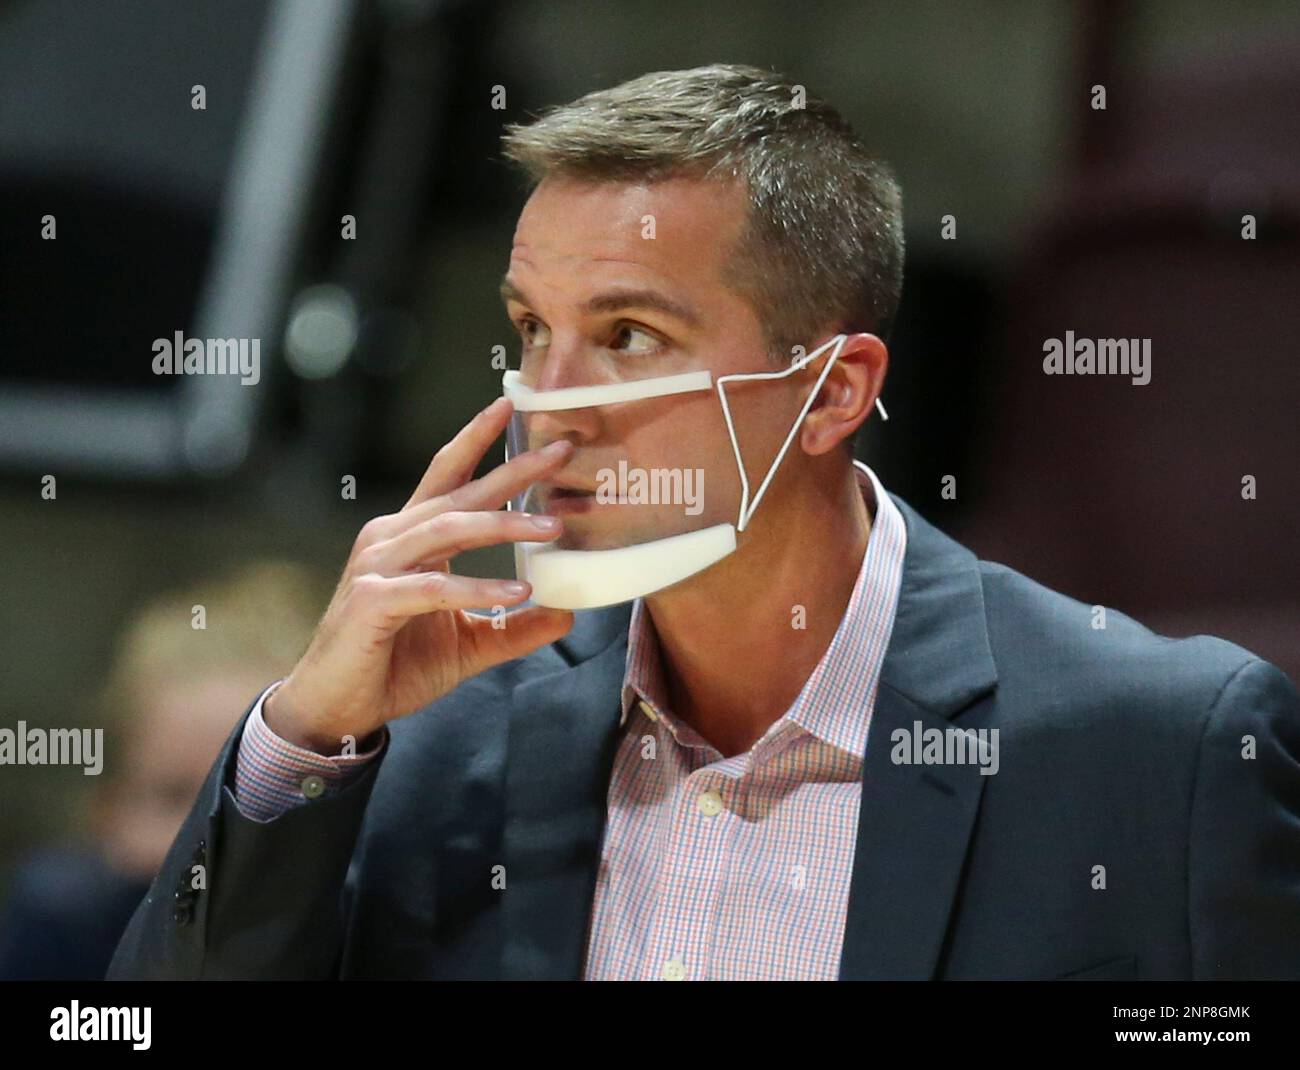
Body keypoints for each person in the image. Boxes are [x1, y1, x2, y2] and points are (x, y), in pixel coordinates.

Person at [109, 64, 1300, 981]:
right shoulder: (422, 743)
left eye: (627, 336)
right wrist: (301, 737)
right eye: (532, 328)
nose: (548, 409)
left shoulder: (1164, 749)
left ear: (833, 391)